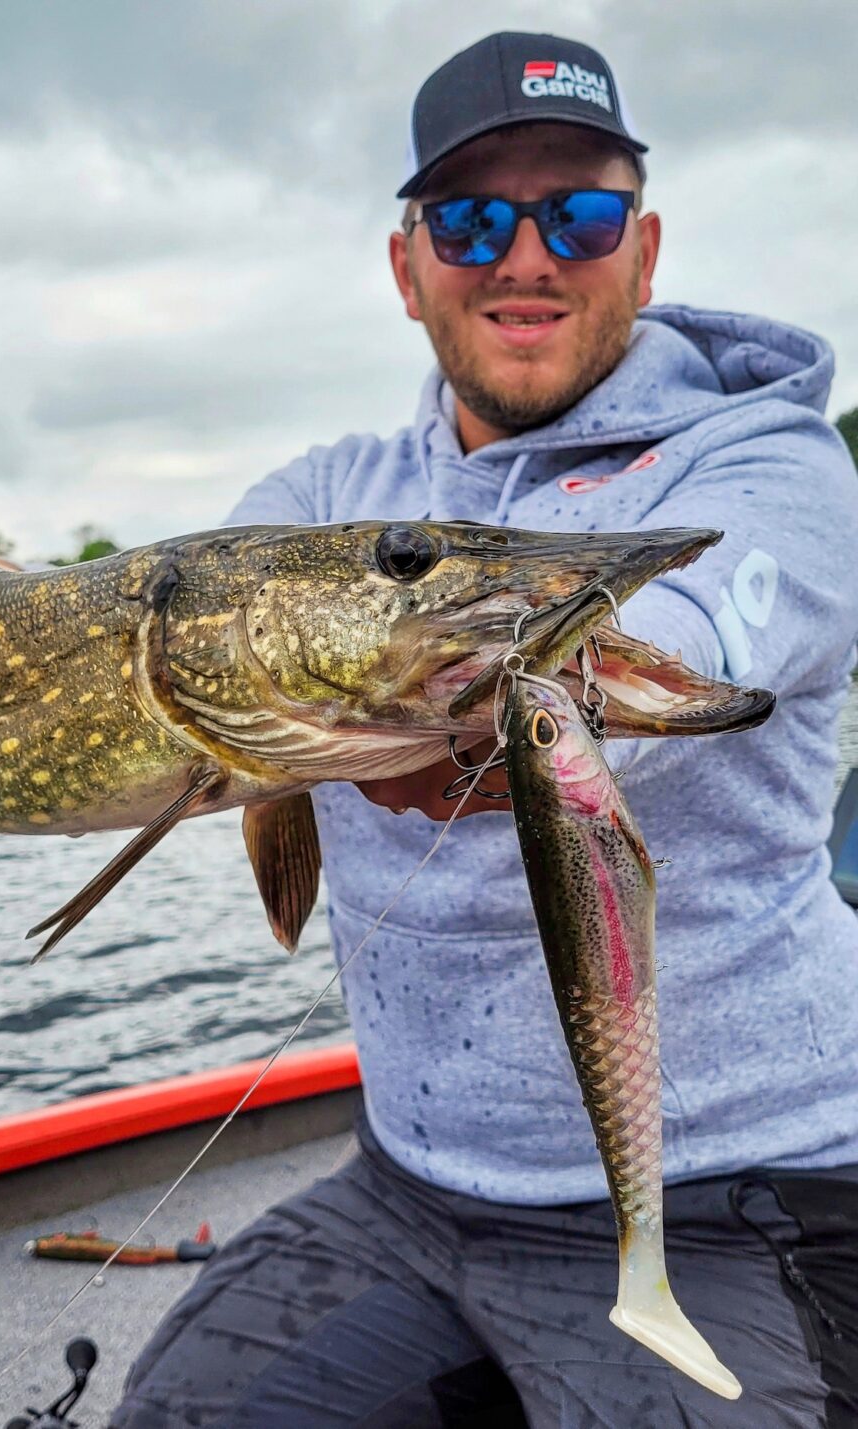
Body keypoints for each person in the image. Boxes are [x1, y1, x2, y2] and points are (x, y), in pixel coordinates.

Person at [110, 30, 858, 1428]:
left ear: (640, 249)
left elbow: (691, 644)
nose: (526, 257)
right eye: (470, 218)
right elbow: (168, 655)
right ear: (408, 268)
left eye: (573, 214)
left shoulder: (770, 462)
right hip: (409, 1188)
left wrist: (484, 715)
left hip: (745, 1186)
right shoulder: (328, 498)